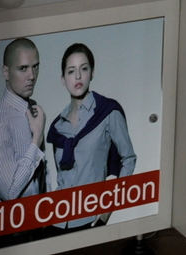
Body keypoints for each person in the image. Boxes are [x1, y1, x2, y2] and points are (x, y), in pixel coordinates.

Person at [46, 42, 136, 232]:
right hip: (55, 221)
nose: (78, 76)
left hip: (88, 219)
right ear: (63, 79)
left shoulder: (107, 112)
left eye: (84, 69)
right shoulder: (58, 126)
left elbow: (128, 159)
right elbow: (61, 176)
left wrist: (107, 211)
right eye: (71, 71)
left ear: (92, 73)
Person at [0, 37, 48, 248]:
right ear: (6, 72)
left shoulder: (33, 111)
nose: (32, 76)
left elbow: (41, 180)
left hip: (38, 229)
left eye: (35, 67)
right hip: (12, 238)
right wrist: (36, 139)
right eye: (23, 68)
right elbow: (10, 192)